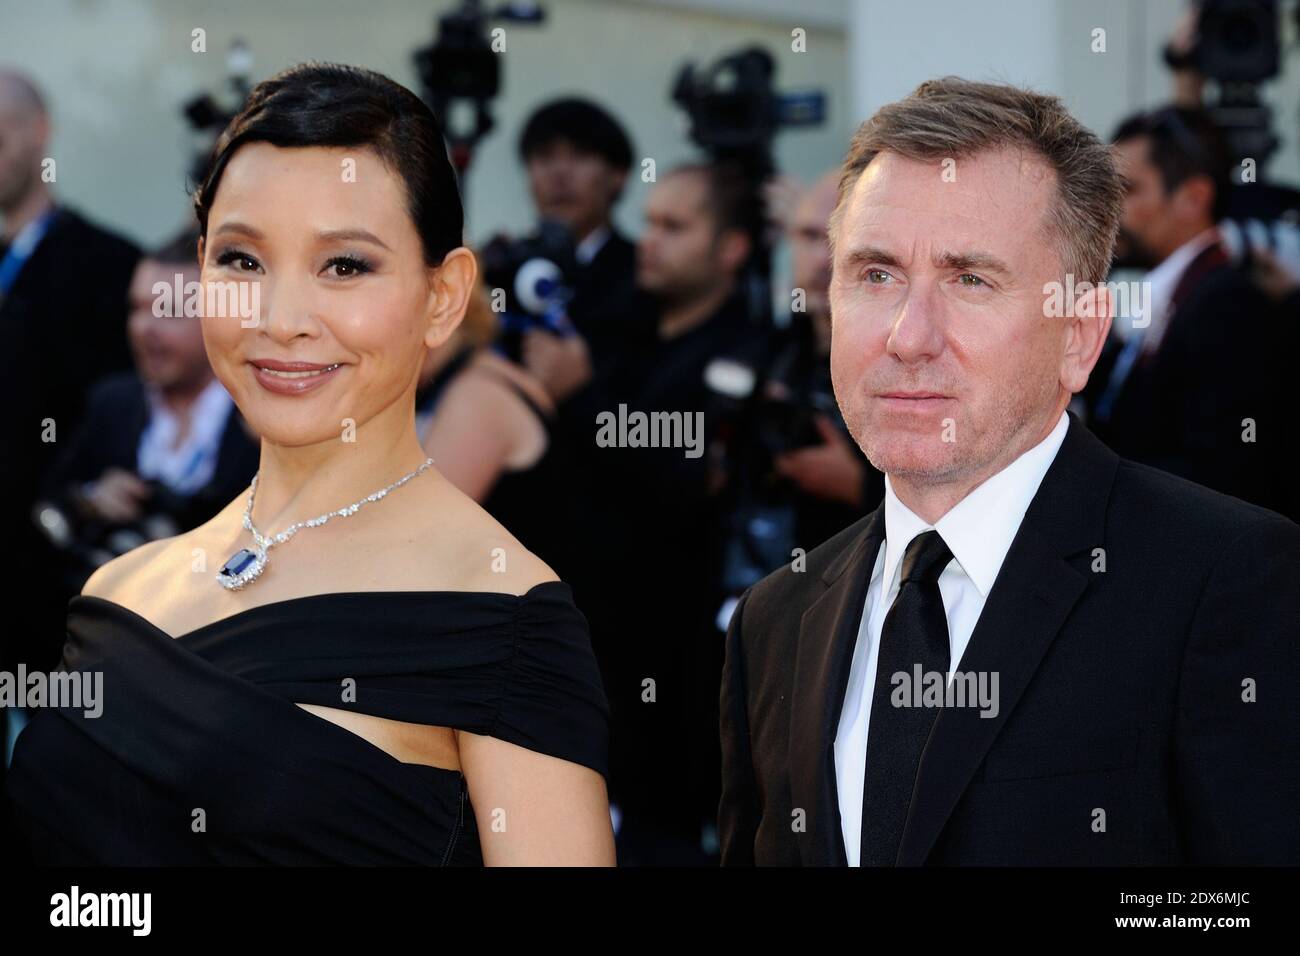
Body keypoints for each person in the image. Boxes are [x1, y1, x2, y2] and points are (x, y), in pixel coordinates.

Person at [4, 62, 614, 866]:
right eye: (241, 261)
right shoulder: (119, 591)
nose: (280, 319)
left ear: (444, 296)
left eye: (345, 265)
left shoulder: (500, 618)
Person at [718, 77, 1300, 866]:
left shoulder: (1226, 579)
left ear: (1080, 337)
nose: (908, 336)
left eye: (971, 280)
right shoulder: (776, 618)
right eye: (876, 275)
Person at [1086, 106, 1291, 518]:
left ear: (1194, 198)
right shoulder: (1174, 296)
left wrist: (1088, 481)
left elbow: (1224, 475)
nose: (1106, 211)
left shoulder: (1228, 306)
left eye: (1127, 191)